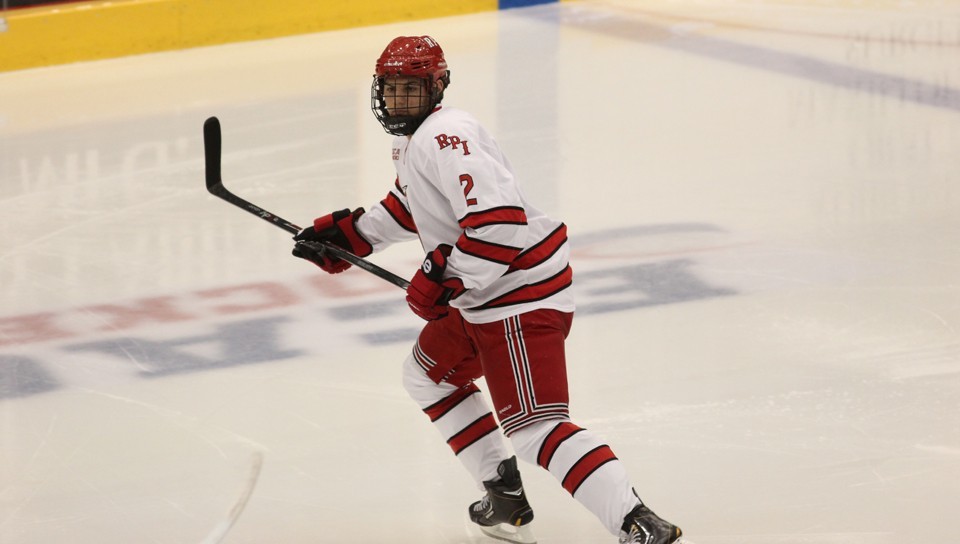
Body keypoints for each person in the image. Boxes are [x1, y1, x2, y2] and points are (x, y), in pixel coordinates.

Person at [291, 35, 684, 544]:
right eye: (390, 90)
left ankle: (638, 522)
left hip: (517, 295)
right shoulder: (412, 141)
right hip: (484, 294)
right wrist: (352, 236)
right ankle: (504, 495)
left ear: (437, 87)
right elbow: (414, 206)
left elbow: (500, 225)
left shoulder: (445, 136)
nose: (397, 101)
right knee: (428, 377)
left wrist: (446, 279)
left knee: (535, 427)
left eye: (410, 90)